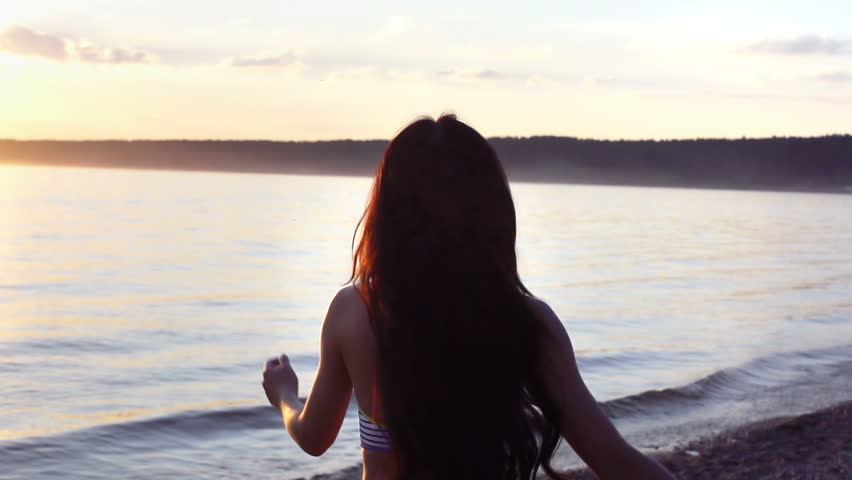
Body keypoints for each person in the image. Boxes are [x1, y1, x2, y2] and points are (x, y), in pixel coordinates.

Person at [262, 115, 675, 480]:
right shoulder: (526, 322)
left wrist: (284, 395)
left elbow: (314, 437)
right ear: (494, 212)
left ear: (387, 212)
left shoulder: (355, 312)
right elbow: (615, 460)